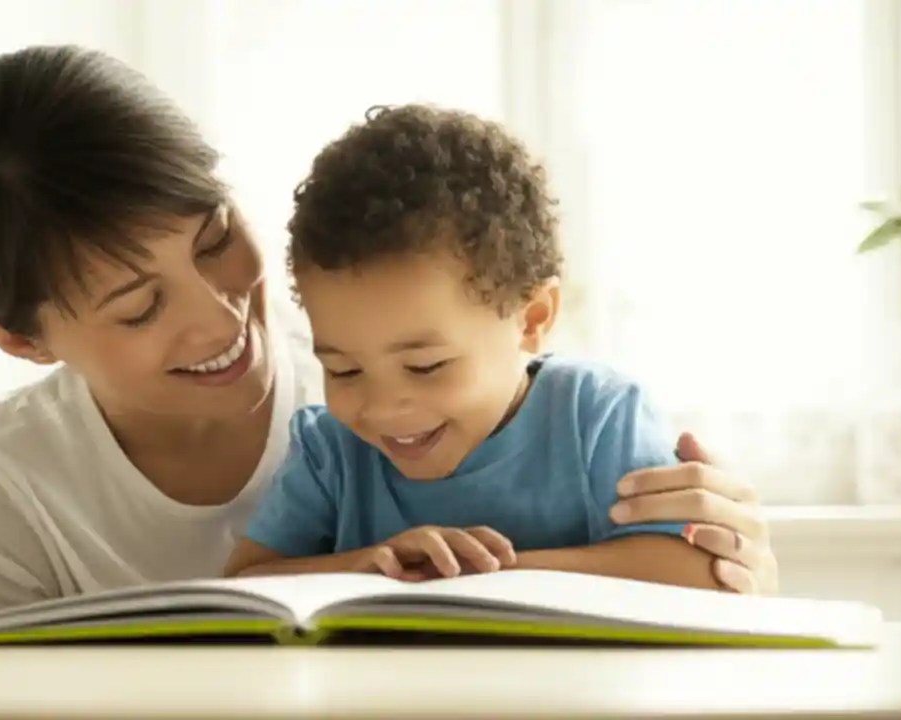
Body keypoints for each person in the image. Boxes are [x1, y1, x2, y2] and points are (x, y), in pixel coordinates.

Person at [0, 45, 777, 624]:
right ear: (21, 341)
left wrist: (740, 576)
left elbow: (698, 584)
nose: (223, 317)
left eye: (216, 239)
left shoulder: (386, 344)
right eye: (140, 308)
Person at [227, 105, 713, 588]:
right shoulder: (329, 455)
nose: (383, 408)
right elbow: (245, 581)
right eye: (344, 371)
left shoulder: (597, 417)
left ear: (532, 319)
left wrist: (470, 577)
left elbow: (693, 572)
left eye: (424, 366)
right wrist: (372, 562)